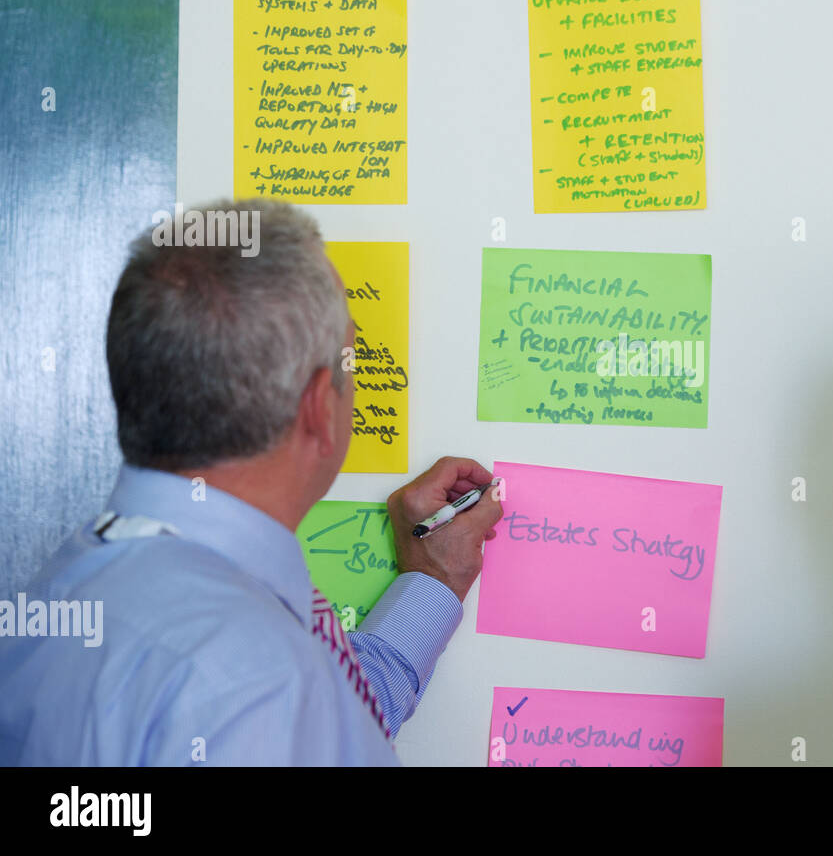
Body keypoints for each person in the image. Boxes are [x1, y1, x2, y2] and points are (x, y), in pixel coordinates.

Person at [0, 199, 503, 765]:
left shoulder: (65, 592)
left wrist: (433, 580)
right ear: (317, 406)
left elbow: (326, 719)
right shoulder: (254, 682)